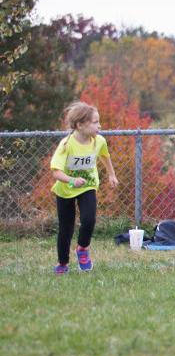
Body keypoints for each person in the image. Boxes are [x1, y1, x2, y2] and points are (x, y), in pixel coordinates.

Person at [49, 102, 119, 274]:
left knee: (89, 220)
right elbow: (56, 173)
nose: (99, 126)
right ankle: (63, 263)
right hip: (66, 189)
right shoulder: (66, 144)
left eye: (99, 121)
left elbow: (105, 156)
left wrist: (111, 174)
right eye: (95, 122)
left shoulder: (99, 141)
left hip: (88, 186)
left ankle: (82, 249)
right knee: (66, 228)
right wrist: (72, 180)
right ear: (80, 125)